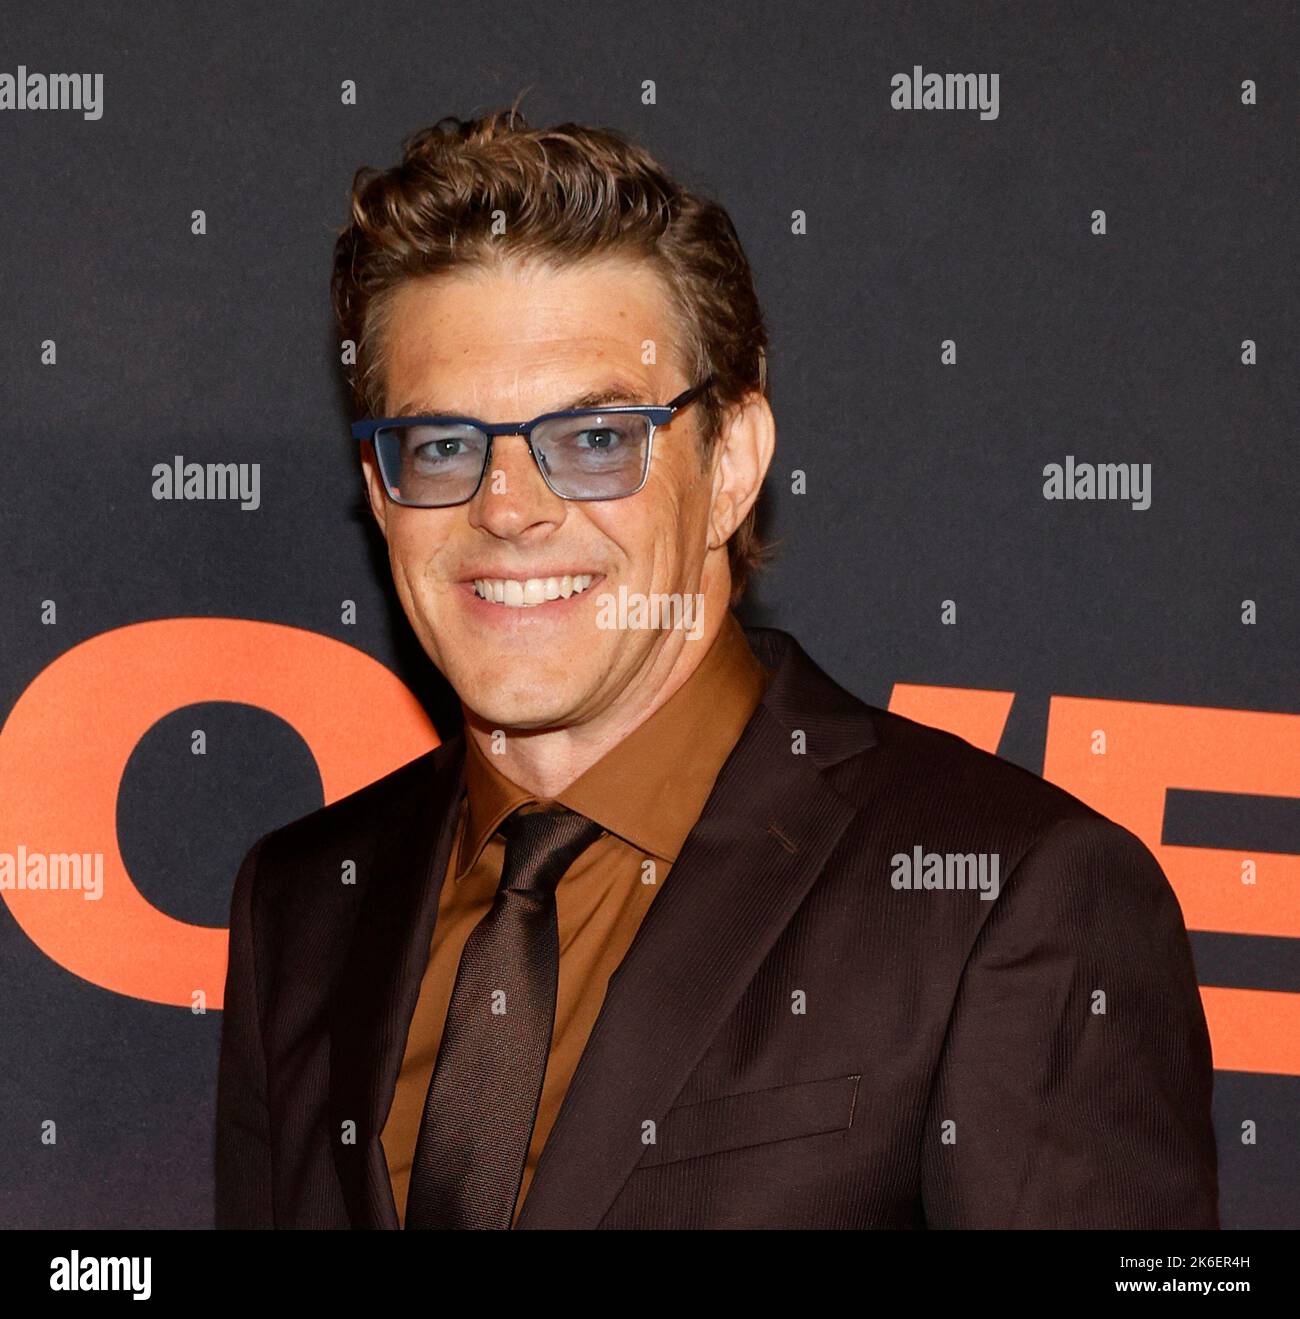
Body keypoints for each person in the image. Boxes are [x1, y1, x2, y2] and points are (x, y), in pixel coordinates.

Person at [215, 105, 1218, 1229]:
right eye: (443, 444)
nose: (506, 509)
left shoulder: (1008, 896)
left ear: (731, 462)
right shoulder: (304, 902)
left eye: (594, 440)